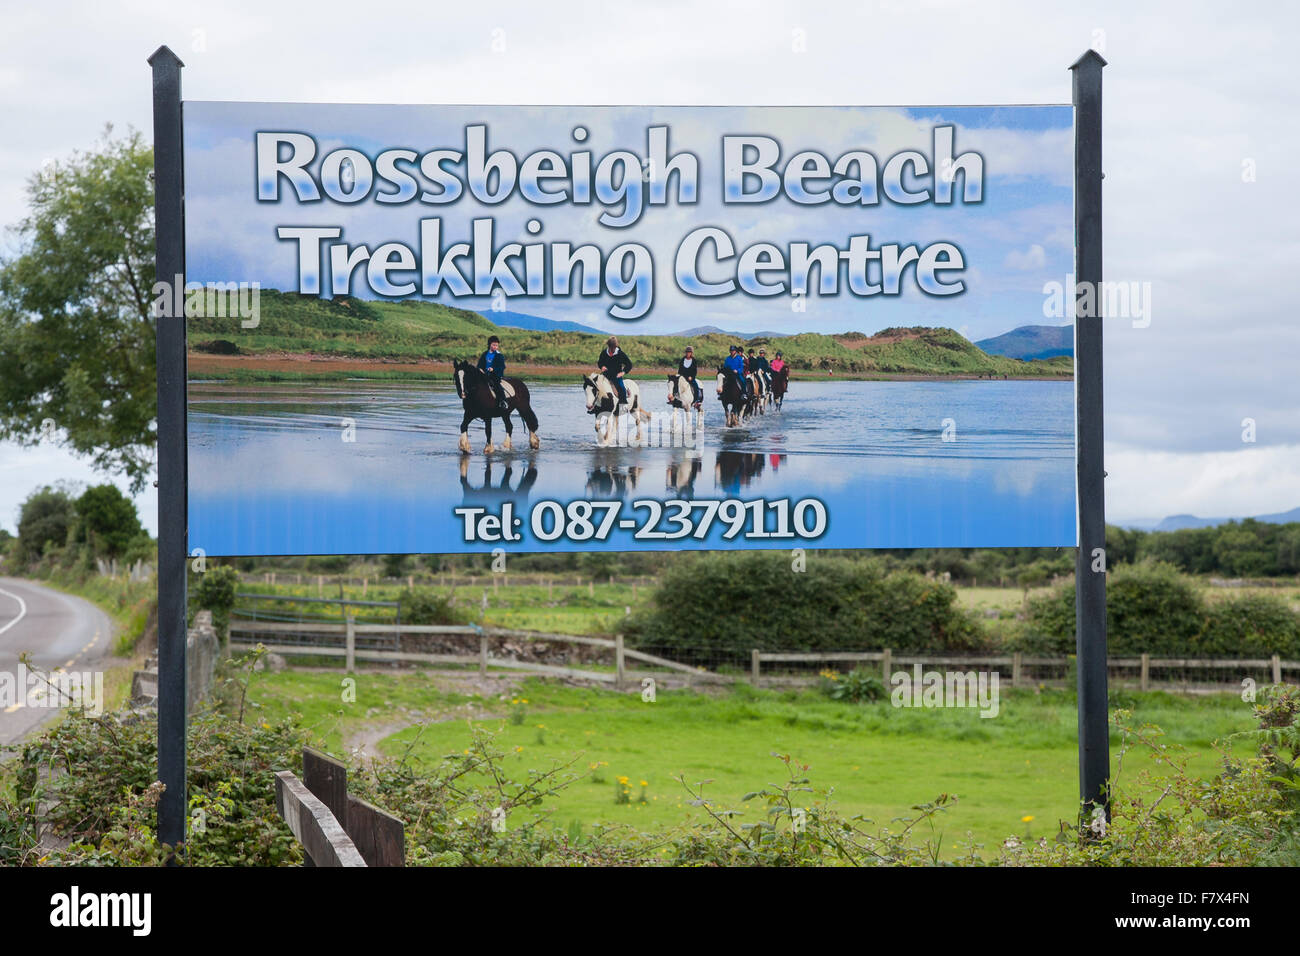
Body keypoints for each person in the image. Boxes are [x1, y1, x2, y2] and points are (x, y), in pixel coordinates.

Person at [597, 335, 632, 405]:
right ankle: (595, 405)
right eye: (610, 347)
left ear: (616, 346)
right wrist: (602, 366)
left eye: (614, 347)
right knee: (596, 385)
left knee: (621, 388)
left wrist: (623, 372)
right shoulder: (604, 353)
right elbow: (600, 362)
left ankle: (623, 403)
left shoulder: (620, 354)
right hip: (606, 375)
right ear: (608, 346)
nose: (612, 349)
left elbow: (629, 364)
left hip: (616, 376)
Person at [477, 335, 508, 410]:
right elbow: (479, 365)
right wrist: (480, 369)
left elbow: (502, 367)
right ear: (489, 345)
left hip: (495, 375)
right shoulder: (485, 354)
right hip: (484, 375)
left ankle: (503, 401)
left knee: (497, 385)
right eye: (494, 345)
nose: (495, 347)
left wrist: (493, 369)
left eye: (497, 345)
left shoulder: (499, 355)